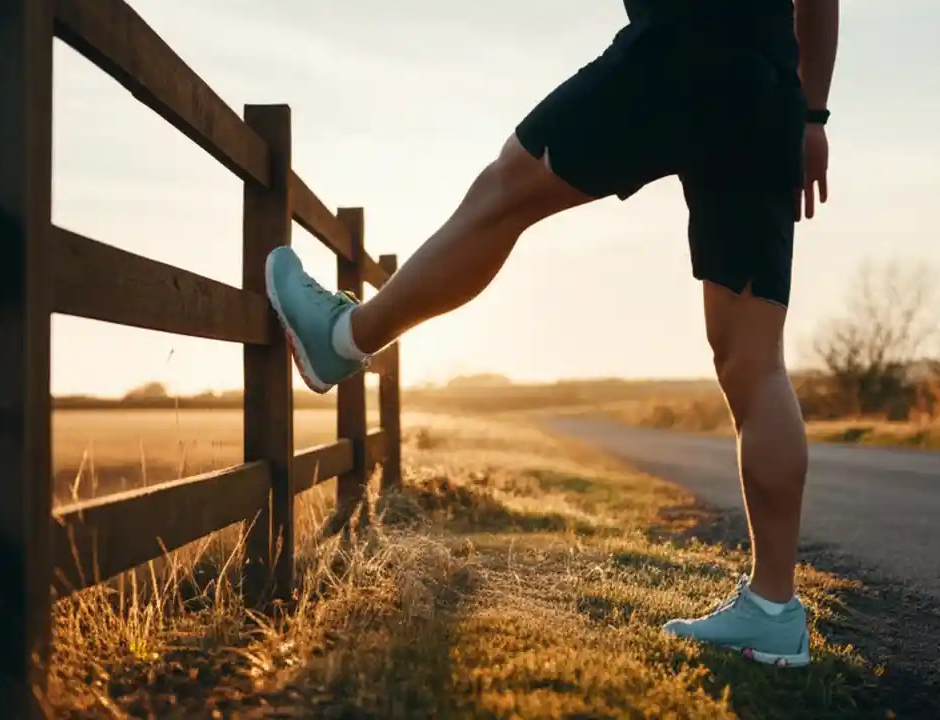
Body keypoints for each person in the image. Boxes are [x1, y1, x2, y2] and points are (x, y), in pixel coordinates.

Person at [265, 0, 837, 667]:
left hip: (682, 45)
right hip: (769, 87)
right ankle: (775, 611)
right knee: (755, 360)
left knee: (506, 188)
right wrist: (812, 115)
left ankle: (342, 339)